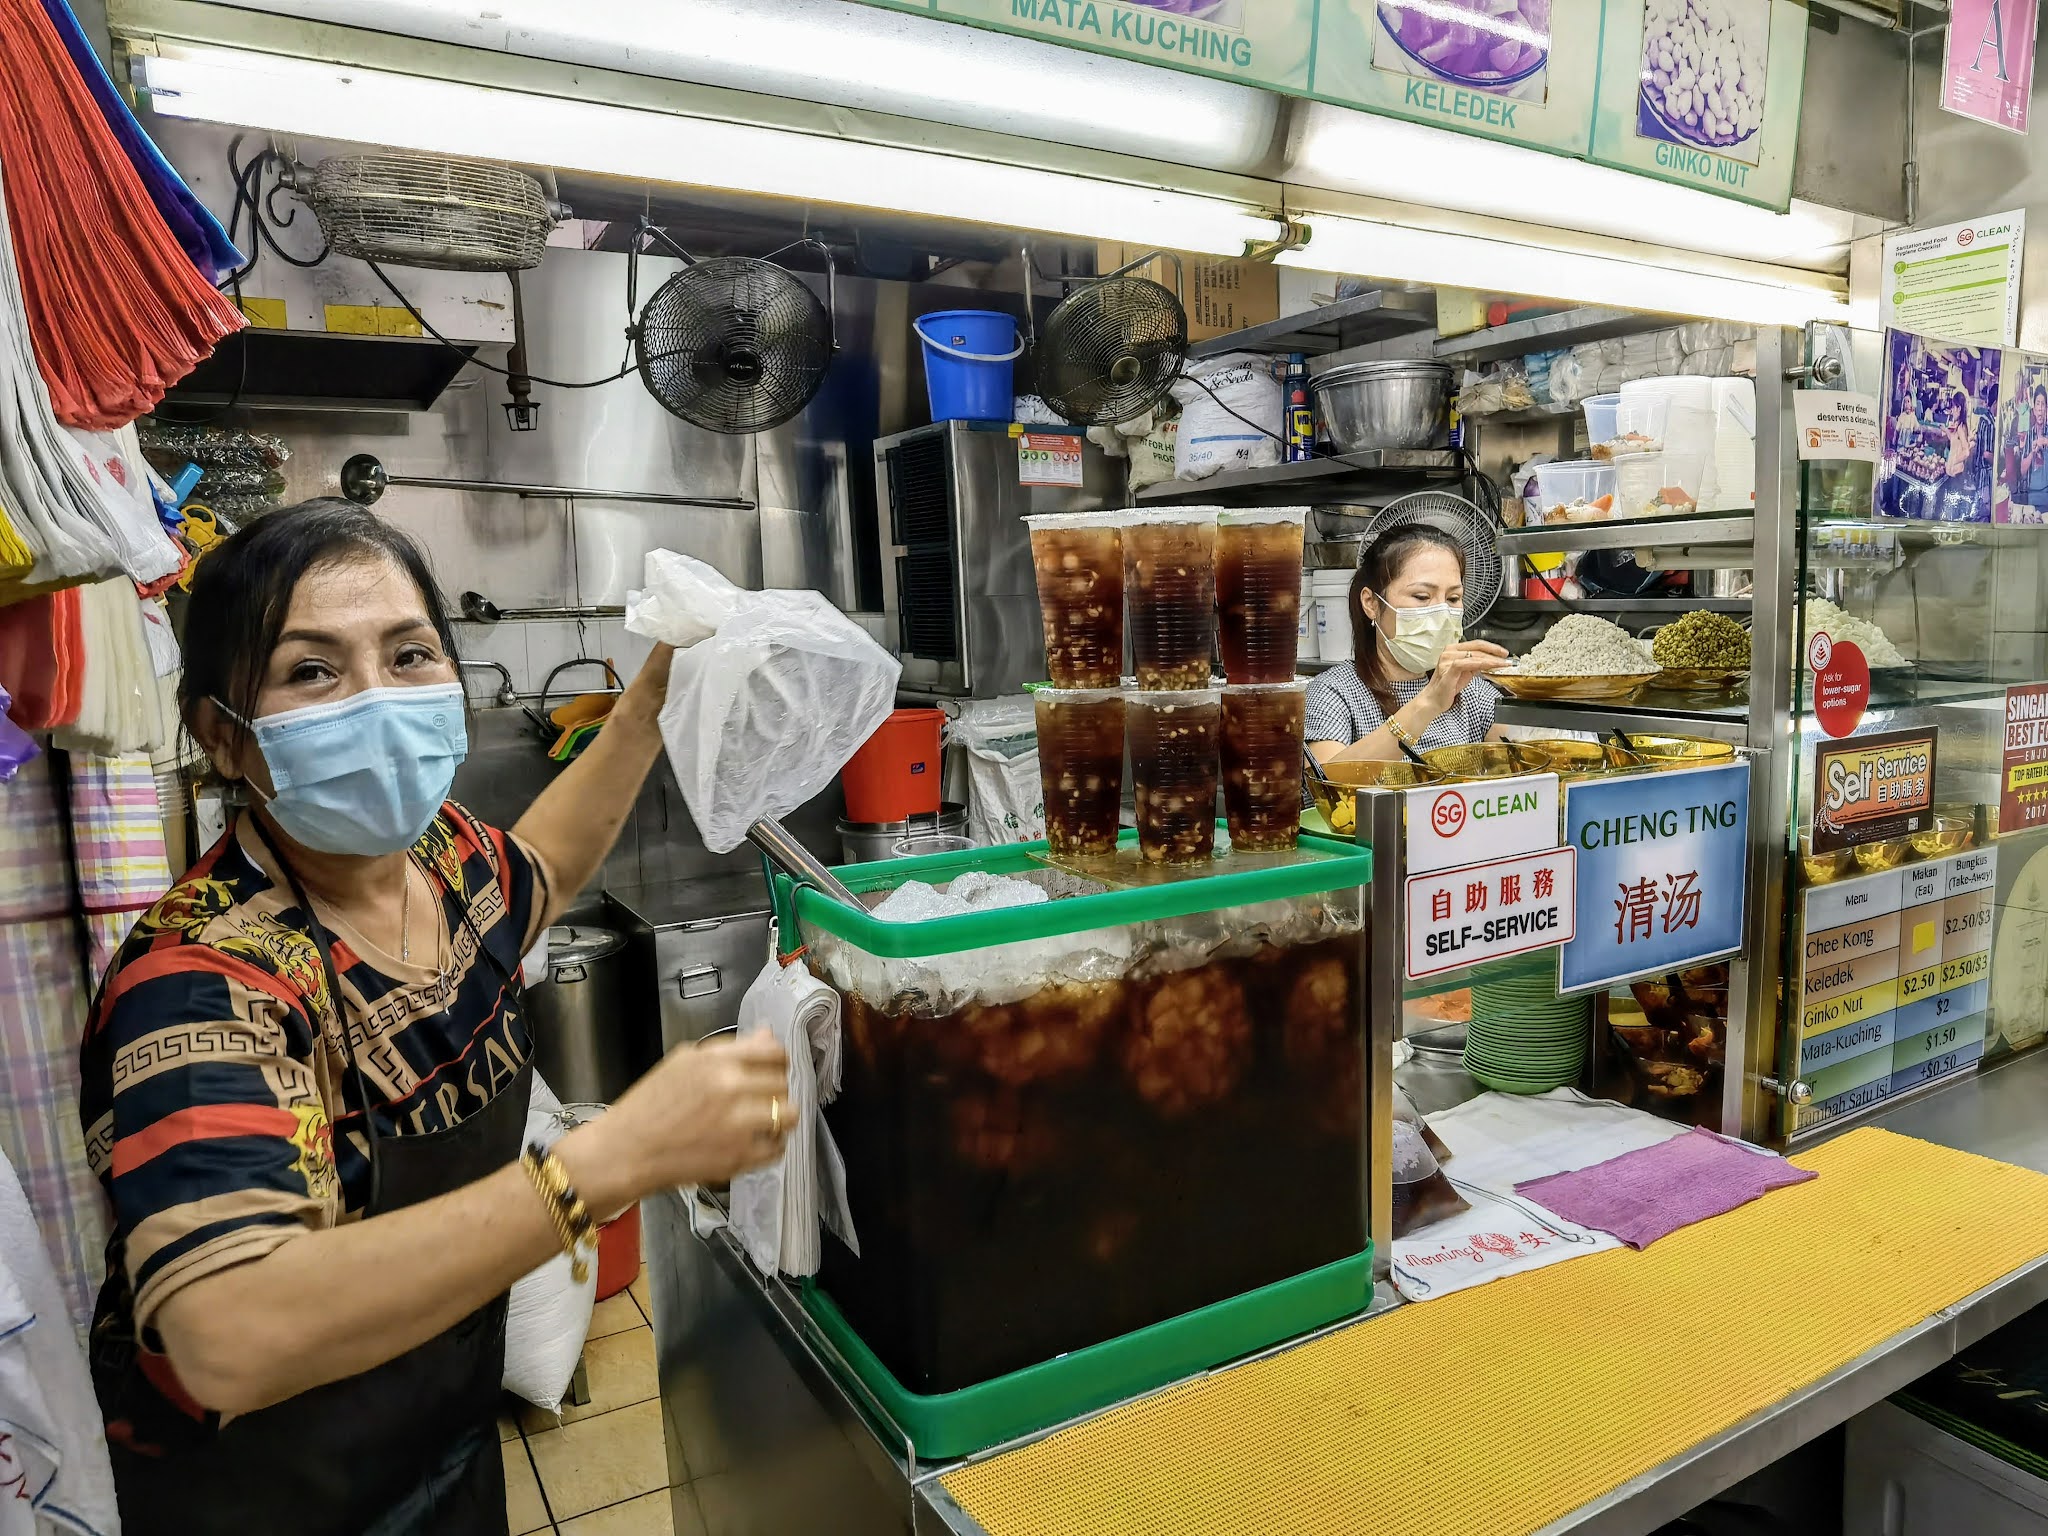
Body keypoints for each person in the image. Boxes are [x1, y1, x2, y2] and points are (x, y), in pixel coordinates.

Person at [77, 499, 792, 1536]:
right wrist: (603, 1164)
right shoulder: (201, 982)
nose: (376, 699)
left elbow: (539, 868)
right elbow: (227, 1331)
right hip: (269, 1498)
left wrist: (645, 704)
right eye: (312, 671)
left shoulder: (443, 859)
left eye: (409, 654)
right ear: (221, 739)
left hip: (441, 1444)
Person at [1304, 525, 1508, 764]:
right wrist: (1429, 703)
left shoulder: (1471, 692)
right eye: (1421, 597)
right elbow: (1328, 785)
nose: (1441, 612)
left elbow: (1521, 756)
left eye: (1453, 598)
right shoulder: (1334, 692)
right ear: (1371, 603)